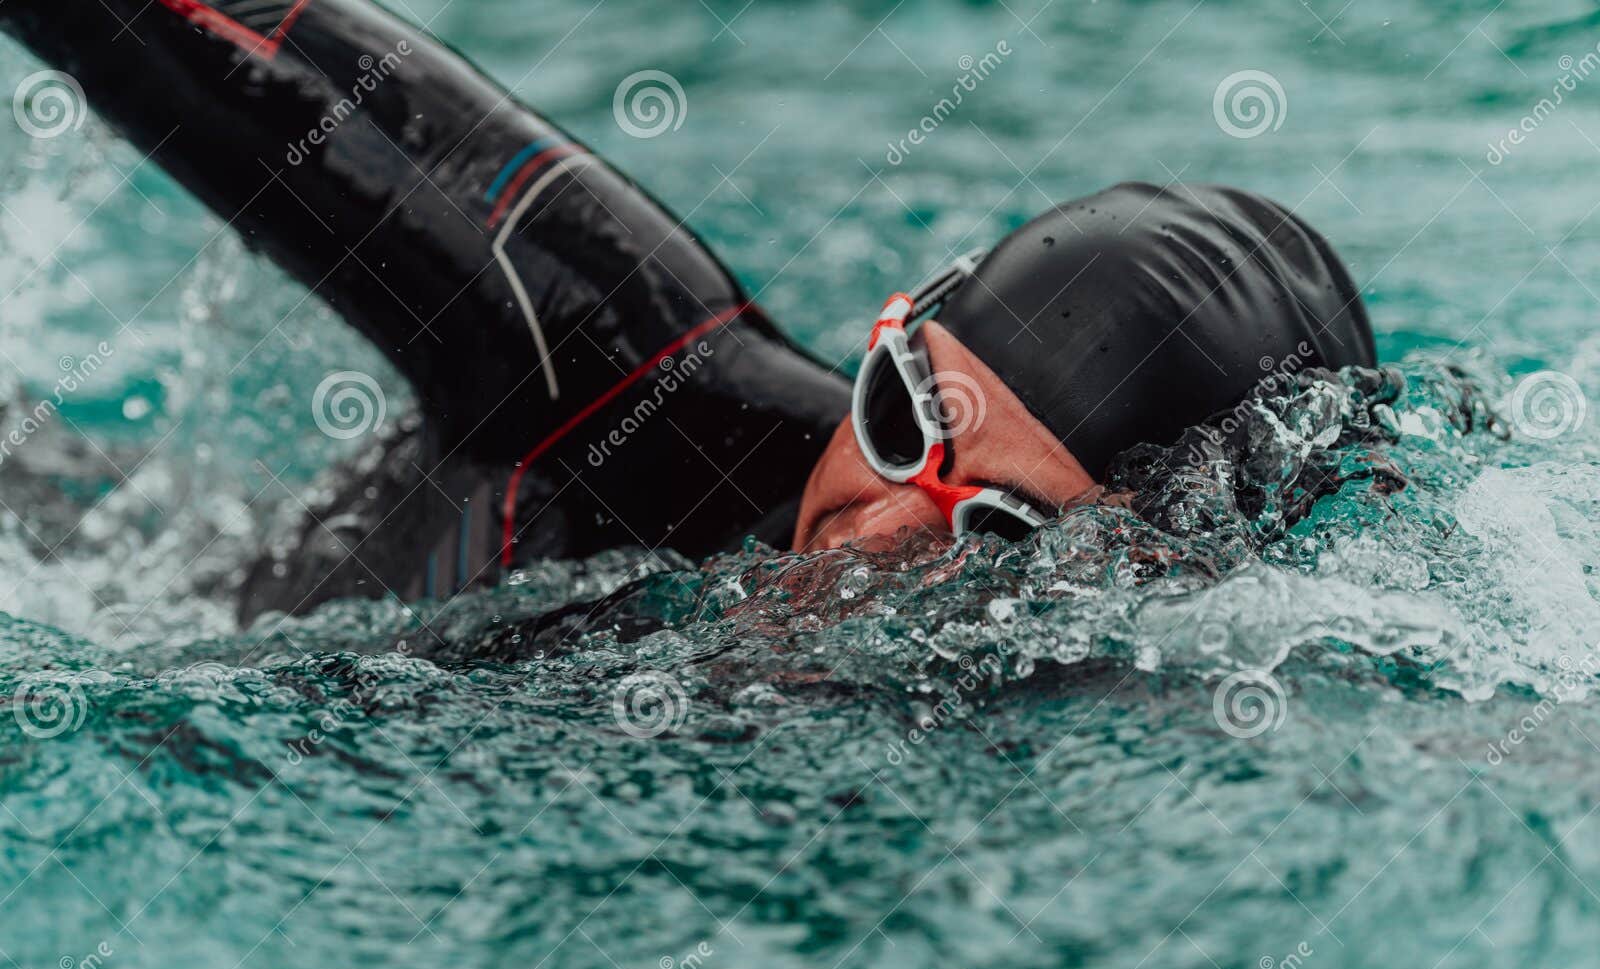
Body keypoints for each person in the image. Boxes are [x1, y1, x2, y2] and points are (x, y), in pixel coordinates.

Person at [0, 0, 1375, 625]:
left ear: (1149, 586)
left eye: (1003, 528)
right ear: (890, 335)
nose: (879, 530)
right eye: (900, 421)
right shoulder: (614, 363)